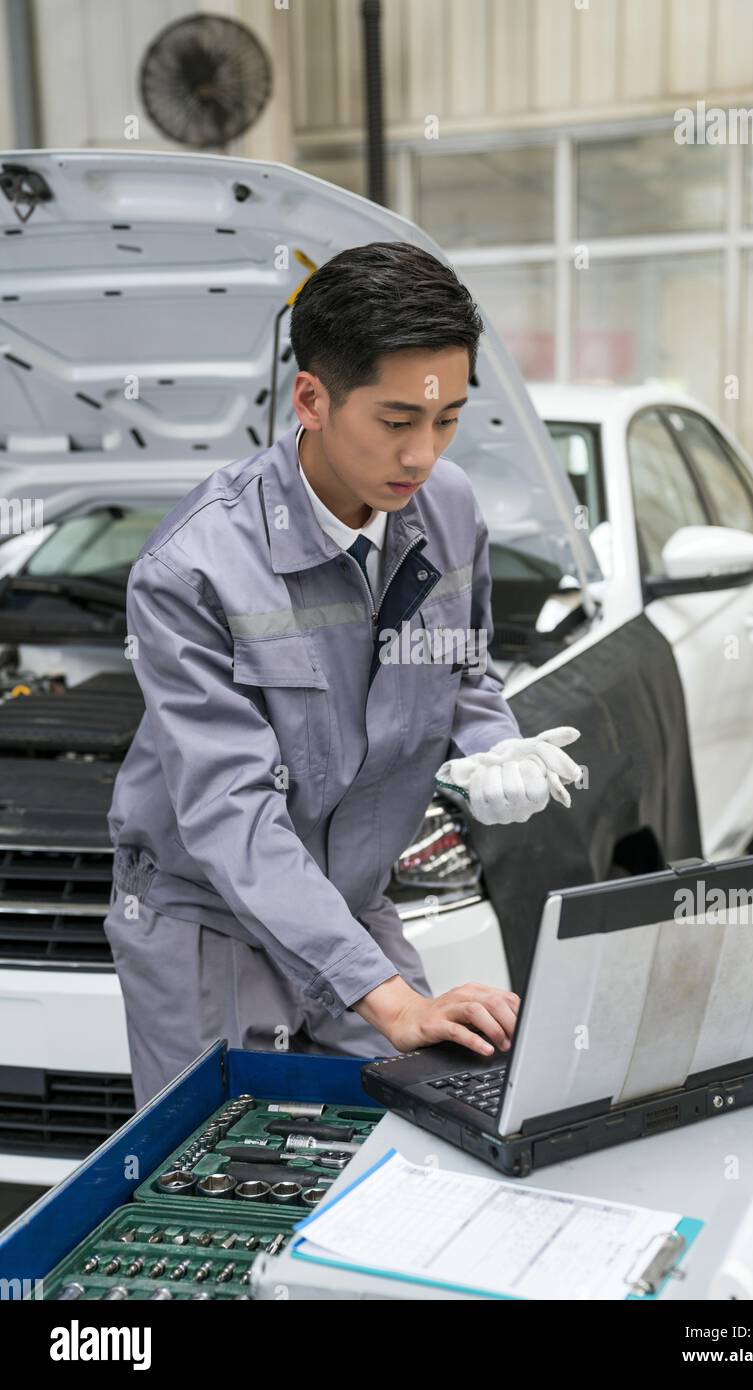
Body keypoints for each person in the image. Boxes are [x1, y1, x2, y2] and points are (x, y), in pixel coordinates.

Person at [104, 241, 583, 1108]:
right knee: (223, 1168)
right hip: (208, 927)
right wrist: (391, 1000)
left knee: (429, 1122)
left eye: (447, 420)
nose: (422, 456)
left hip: (353, 902)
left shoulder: (448, 508)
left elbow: (461, 671)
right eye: (397, 422)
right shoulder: (193, 570)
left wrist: (492, 745)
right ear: (311, 399)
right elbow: (232, 814)